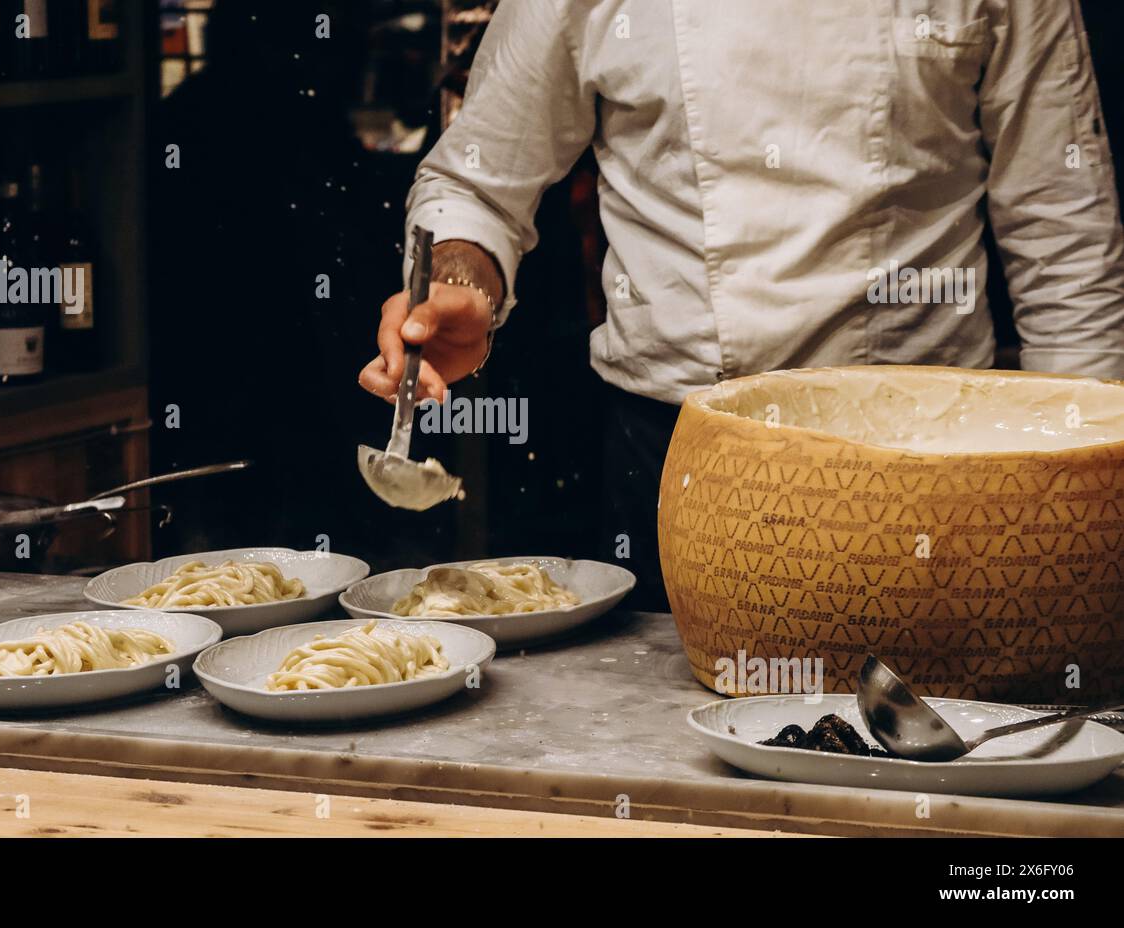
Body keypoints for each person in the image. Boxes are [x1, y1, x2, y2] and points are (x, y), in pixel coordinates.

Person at [358, 0, 1124, 609]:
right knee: (680, 759)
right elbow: (480, 181)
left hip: (938, 465)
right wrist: (465, 284)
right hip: (678, 455)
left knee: (936, 765)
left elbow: (1064, 232)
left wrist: (1086, 499)